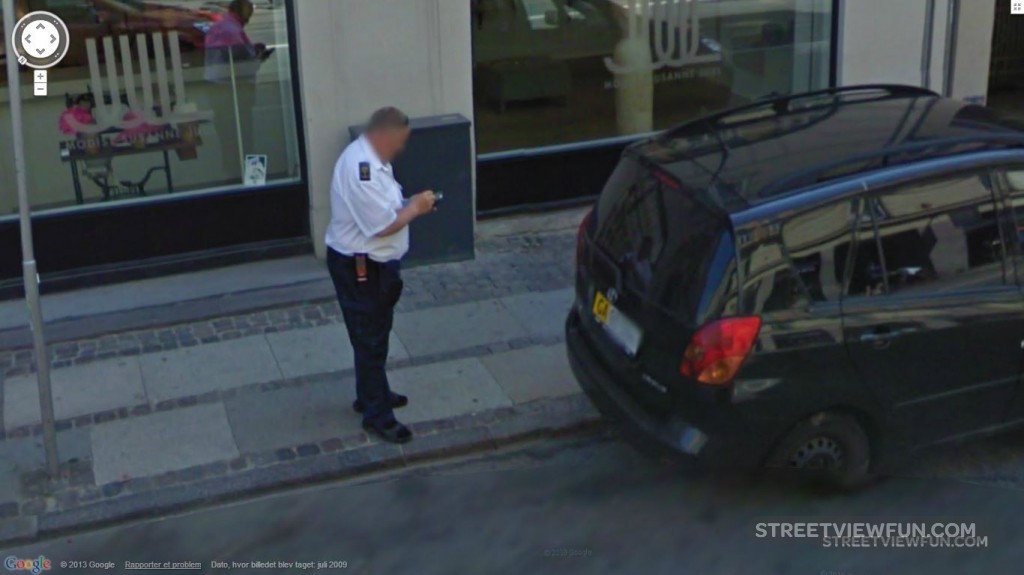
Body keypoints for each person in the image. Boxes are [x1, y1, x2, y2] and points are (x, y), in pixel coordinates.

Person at [326, 107, 437, 444]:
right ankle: (378, 416)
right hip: (362, 266)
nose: (400, 149)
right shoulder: (362, 169)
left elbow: (386, 208)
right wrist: (415, 208)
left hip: (372, 265)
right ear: (381, 135)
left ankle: (372, 393)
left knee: (374, 333)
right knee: (370, 338)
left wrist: (408, 203)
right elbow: (381, 226)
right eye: (398, 142)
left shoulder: (373, 160)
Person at [204, 0, 269, 179]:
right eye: (249, 15)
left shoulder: (218, 27)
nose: (249, 19)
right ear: (242, 13)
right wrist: (259, 58)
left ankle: (230, 176)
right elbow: (245, 66)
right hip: (235, 93)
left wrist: (251, 50)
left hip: (217, 90)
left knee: (226, 138)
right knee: (244, 137)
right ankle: (252, 180)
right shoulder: (233, 31)